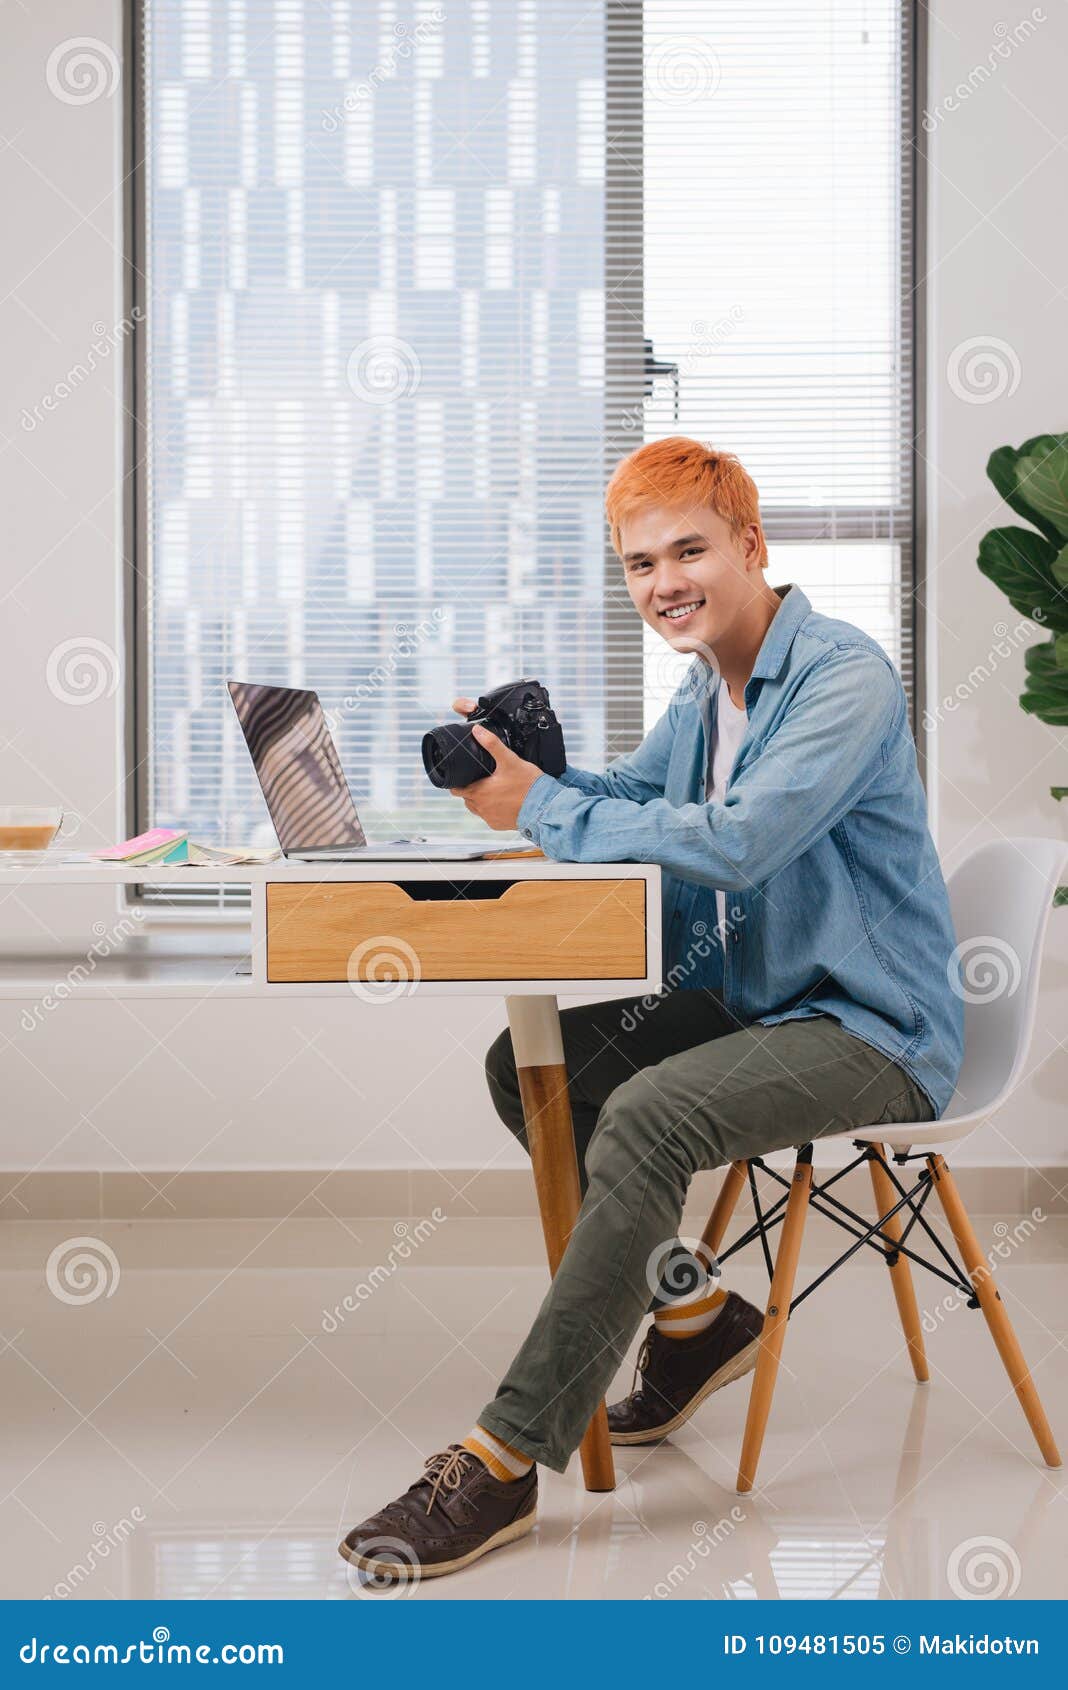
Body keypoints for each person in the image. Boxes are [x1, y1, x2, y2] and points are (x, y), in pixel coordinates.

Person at [338, 436, 964, 1583]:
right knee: (524, 1069)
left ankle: (502, 1457)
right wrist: (536, 777)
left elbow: (739, 843)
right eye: (639, 563)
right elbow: (634, 796)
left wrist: (547, 812)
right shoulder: (707, 688)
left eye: (689, 550)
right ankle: (691, 1318)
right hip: (760, 1003)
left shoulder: (843, 677)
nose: (664, 581)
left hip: (878, 1028)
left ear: (753, 547)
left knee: (647, 1115)